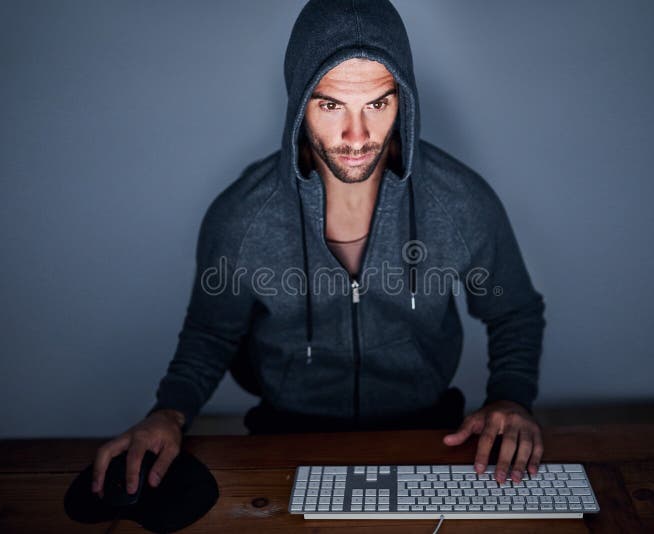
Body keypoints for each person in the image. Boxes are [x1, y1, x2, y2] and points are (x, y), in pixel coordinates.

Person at [92, 0, 546, 501]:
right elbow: (210, 332)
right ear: (299, 102)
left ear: (404, 102)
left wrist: (512, 397)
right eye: (331, 105)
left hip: (430, 435)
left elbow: (516, 311)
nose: (357, 136)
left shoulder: (459, 201)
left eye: (378, 104)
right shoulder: (242, 216)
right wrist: (168, 412)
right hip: (284, 440)